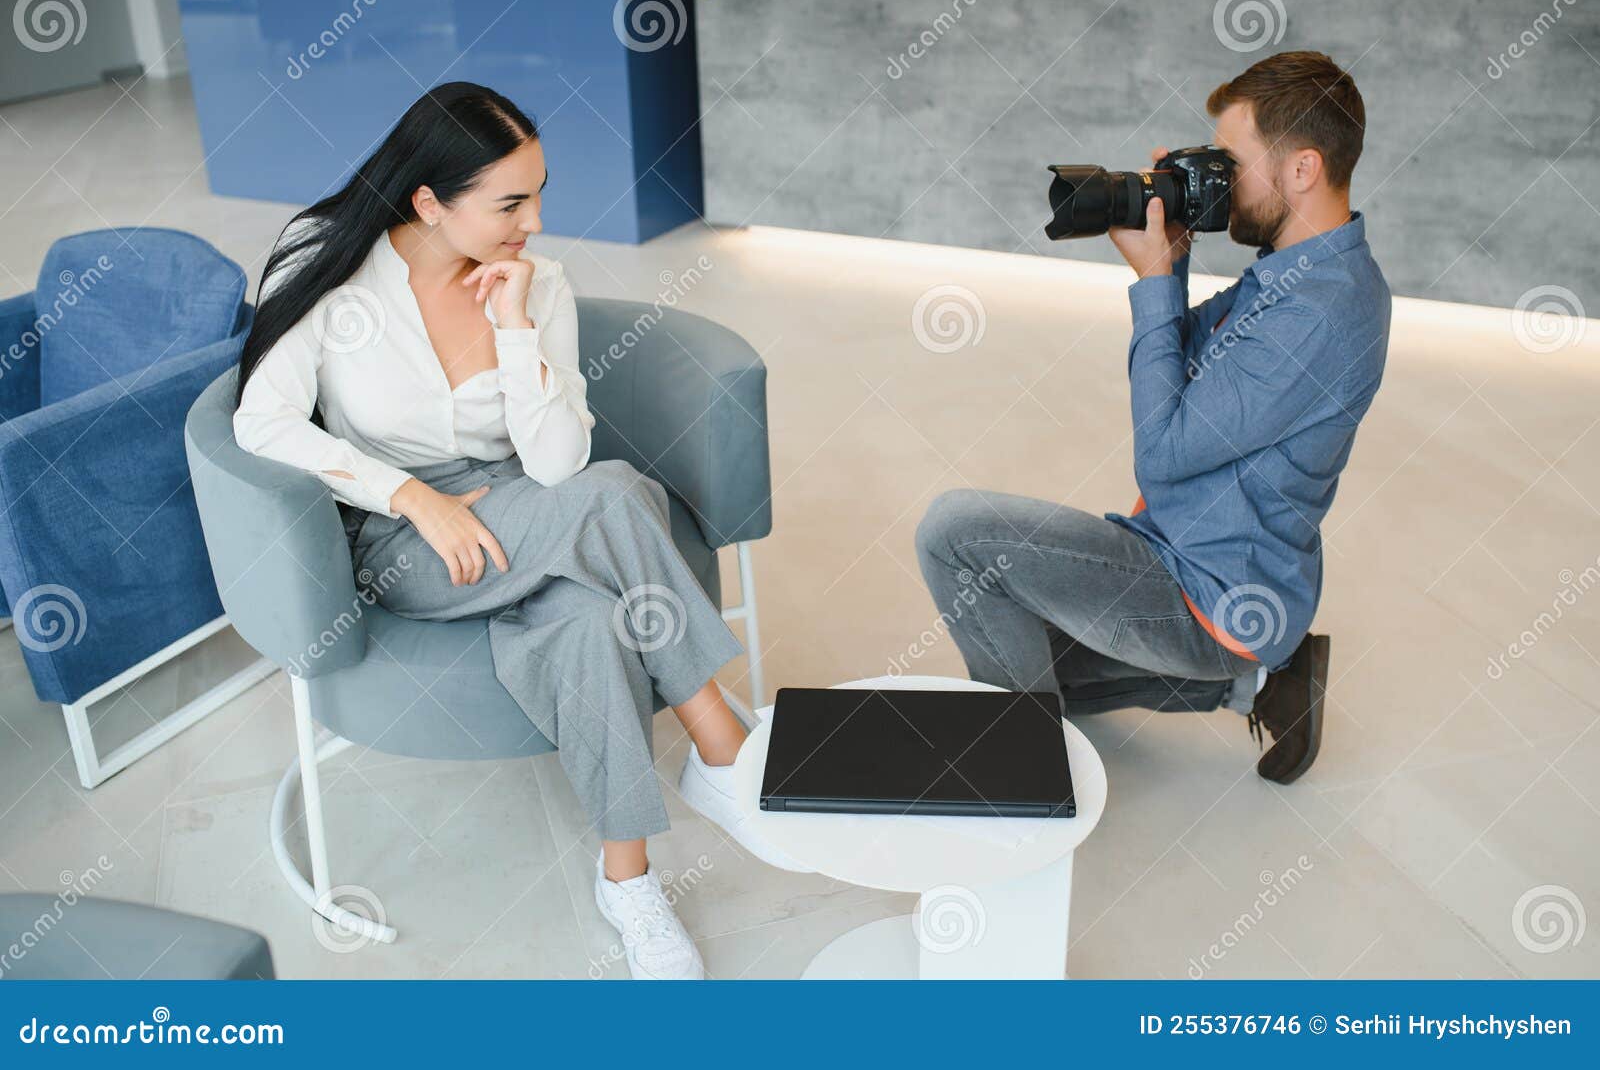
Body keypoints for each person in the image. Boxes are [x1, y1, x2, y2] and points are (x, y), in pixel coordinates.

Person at [233, 81, 803, 980]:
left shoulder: (540, 287)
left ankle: (628, 883)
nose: (534, 220)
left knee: (590, 616)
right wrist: (409, 496)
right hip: (408, 538)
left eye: (539, 193)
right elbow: (261, 423)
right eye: (510, 202)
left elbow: (553, 466)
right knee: (619, 497)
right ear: (429, 201)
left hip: (531, 502)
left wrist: (511, 328)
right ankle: (722, 744)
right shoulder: (327, 264)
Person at [916, 50, 1391, 783]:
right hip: (1202, 555)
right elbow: (1186, 355)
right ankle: (1262, 679)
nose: (1222, 181)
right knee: (1022, 655)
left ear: (1302, 169)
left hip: (1205, 586)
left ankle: (1020, 781)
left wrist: (1155, 280)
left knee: (956, 535)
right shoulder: (1305, 268)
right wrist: (1172, 258)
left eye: (1233, 162)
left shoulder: (1321, 311)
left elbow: (1164, 450)